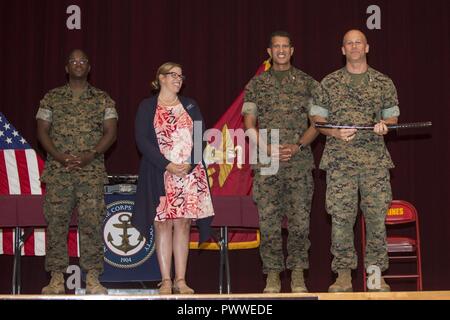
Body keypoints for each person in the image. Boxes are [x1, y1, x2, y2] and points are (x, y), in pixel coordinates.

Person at [310, 29, 400, 292]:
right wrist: (334, 131)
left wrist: (386, 125)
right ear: (342, 50)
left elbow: (392, 117)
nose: (354, 47)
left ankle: (374, 276)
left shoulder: (383, 82)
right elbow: (318, 120)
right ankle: (343, 275)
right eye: (349, 43)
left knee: (375, 219)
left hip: (374, 161)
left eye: (358, 42)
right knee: (340, 219)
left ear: (367, 47)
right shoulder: (328, 83)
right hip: (340, 162)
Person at [242, 31, 320, 293]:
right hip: (267, 161)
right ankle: (273, 276)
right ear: (269, 51)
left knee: (300, 223)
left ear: (292, 50)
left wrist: (297, 145)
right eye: (276, 47)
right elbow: (249, 125)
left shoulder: (308, 83)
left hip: (298, 159)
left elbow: (316, 125)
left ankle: (298, 275)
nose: (281, 50)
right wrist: (269, 149)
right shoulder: (256, 85)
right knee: (269, 223)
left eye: (285, 46)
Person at [36, 49, 118, 295]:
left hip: (90, 171)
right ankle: (56, 278)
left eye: (82, 61)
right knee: (57, 223)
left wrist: (90, 155)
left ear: (89, 67)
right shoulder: (51, 98)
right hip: (58, 172)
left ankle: (92, 278)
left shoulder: (103, 99)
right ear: (66, 67)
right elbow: (42, 131)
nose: (78, 64)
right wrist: (60, 157)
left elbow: (111, 132)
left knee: (91, 223)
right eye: (73, 61)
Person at [132, 62, 214, 295]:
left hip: (188, 173)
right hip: (160, 172)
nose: (178, 79)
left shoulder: (190, 104)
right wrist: (166, 164)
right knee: (163, 223)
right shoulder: (147, 106)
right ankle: (166, 280)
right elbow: (142, 141)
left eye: (181, 75)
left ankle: (181, 280)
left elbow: (201, 135)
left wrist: (189, 163)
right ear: (160, 78)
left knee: (183, 223)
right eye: (173, 75)